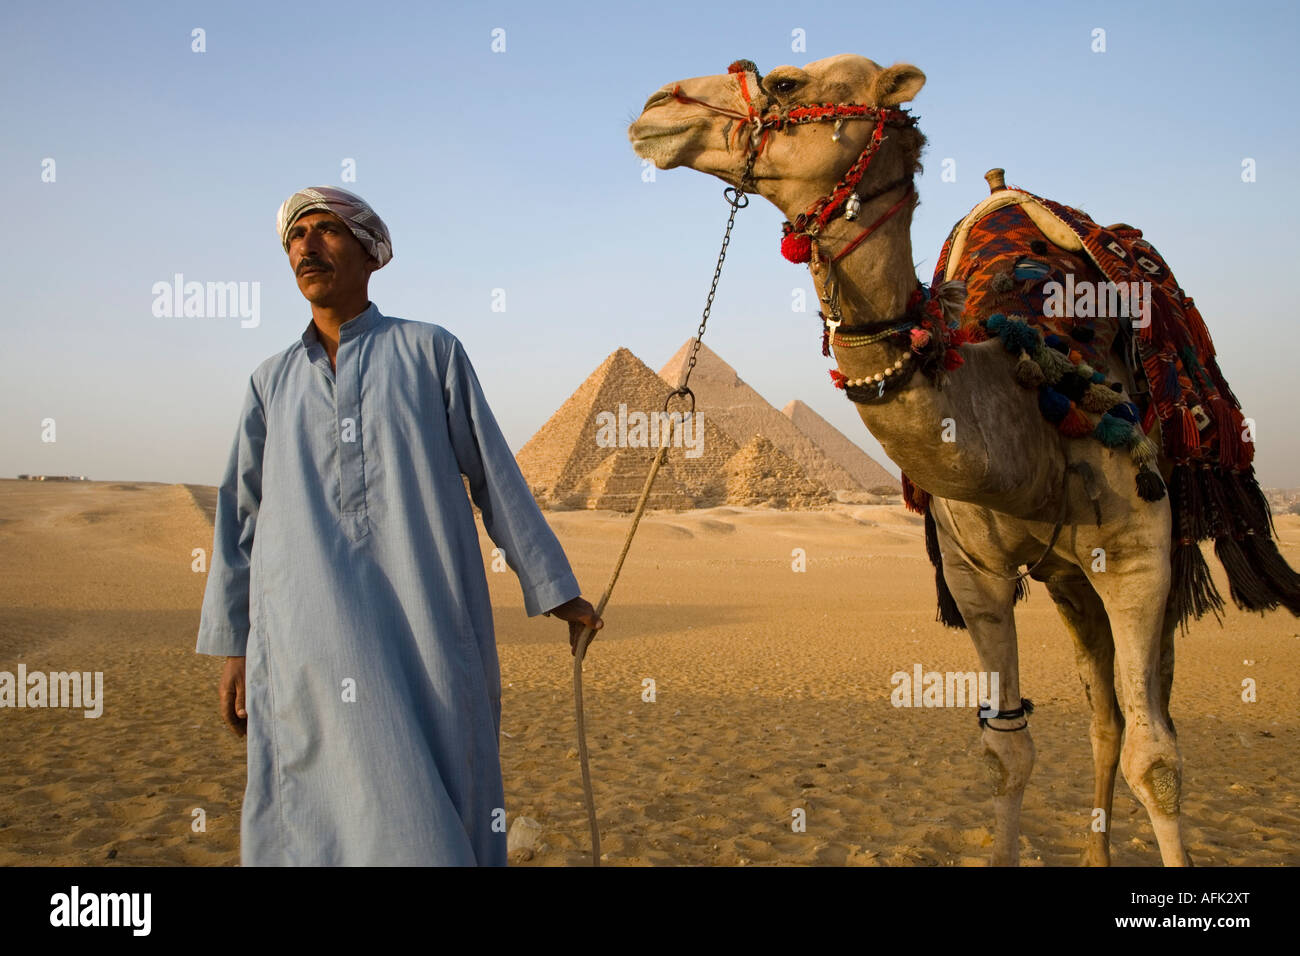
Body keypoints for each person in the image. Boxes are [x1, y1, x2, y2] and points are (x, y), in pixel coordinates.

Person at [196, 185, 603, 865]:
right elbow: (238, 520)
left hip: (425, 624)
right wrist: (236, 648)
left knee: (435, 797)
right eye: (296, 236)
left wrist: (557, 591)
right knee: (313, 809)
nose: (306, 246)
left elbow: (494, 478)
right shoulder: (270, 383)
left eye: (325, 231)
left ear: (369, 253)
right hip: (303, 640)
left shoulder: (431, 352)